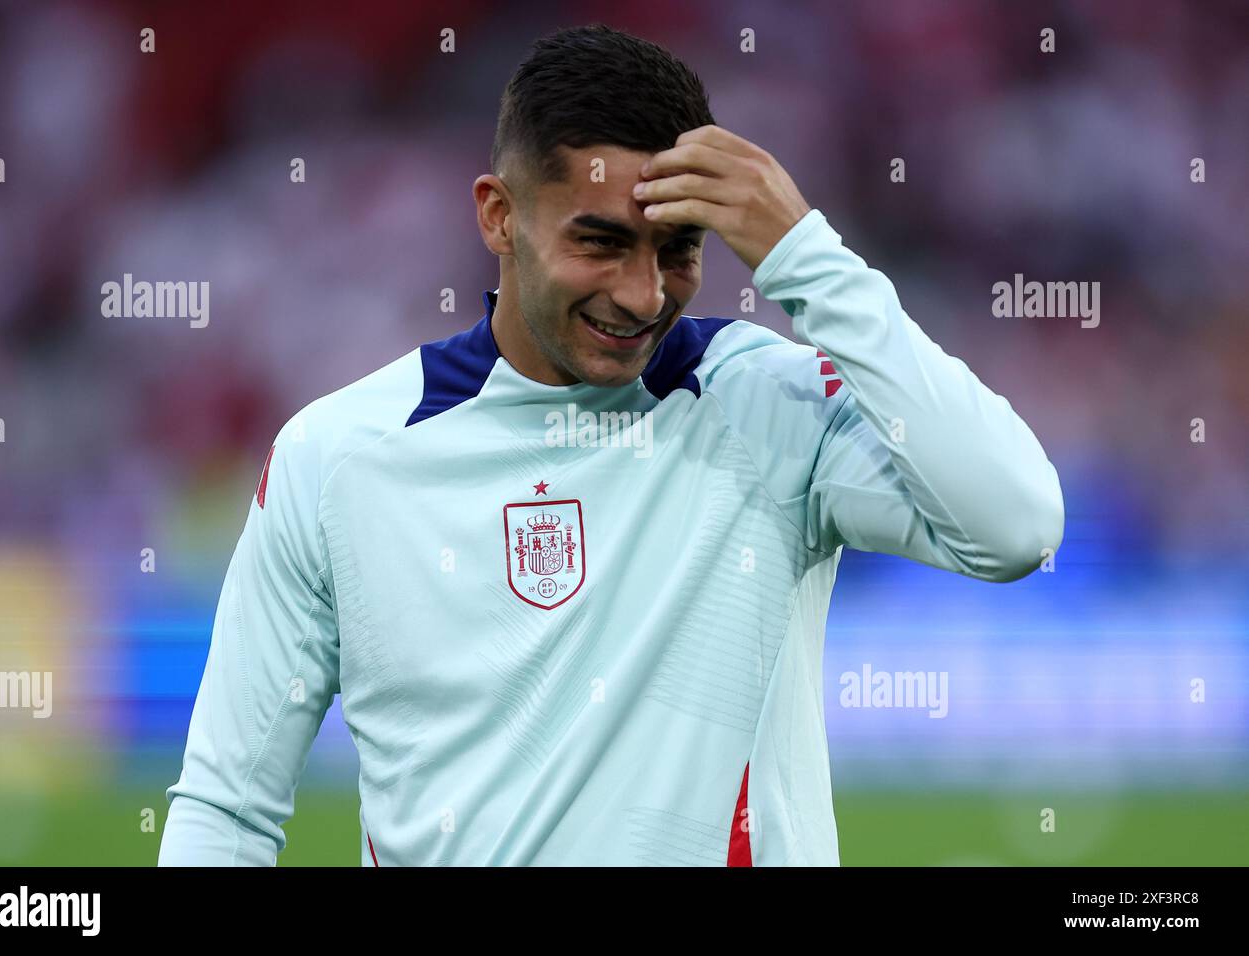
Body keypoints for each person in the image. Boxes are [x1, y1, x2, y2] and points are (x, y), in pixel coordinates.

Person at [159, 23, 1063, 866]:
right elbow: (227, 809)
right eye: (600, 242)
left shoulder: (766, 405)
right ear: (498, 216)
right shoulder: (338, 455)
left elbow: (1016, 524)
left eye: (677, 250)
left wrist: (805, 255)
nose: (641, 294)